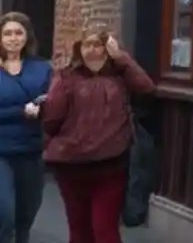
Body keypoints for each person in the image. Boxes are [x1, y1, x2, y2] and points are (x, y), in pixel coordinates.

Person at [43, 27, 155, 243]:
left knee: (105, 228)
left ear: (108, 49)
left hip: (110, 165)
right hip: (72, 165)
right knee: (79, 228)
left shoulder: (120, 75)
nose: (92, 50)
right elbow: (52, 118)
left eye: (98, 45)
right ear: (79, 49)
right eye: (87, 45)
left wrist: (122, 58)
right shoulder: (67, 77)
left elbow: (146, 88)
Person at [0, 13, 51, 243]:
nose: (13, 38)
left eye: (18, 33)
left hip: (31, 149)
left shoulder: (42, 68)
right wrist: (21, 111)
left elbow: (55, 101)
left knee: (26, 213)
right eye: (7, 33)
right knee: (5, 212)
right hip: (1, 151)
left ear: (27, 36)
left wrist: (43, 108)